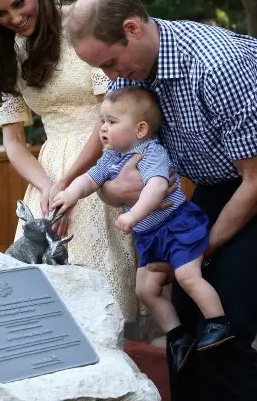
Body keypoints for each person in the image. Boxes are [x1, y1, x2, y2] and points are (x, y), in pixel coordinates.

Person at [65, 0, 257, 400]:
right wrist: (113, 190)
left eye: (112, 63)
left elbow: (253, 181)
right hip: (209, 187)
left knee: (225, 322)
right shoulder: (130, 77)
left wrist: (198, 250)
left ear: (133, 28)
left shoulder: (215, 65)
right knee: (184, 328)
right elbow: (114, 181)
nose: (112, 80)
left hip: (250, 183)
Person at [0, 0, 138, 323]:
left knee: (104, 301)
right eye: (0, 14)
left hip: (104, 163)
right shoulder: (6, 50)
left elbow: (111, 116)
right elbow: (13, 143)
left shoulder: (83, 23)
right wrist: (47, 188)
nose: (14, 18)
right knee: (46, 307)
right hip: (49, 178)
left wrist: (71, 182)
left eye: (19, 3)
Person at [52, 86, 235, 372]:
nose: (103, 128)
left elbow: (156, 187)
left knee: (188, 276)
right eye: (102, 121)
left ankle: (218, 322)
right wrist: (70, 193)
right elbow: (89, 179)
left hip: (175, 226)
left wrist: (133, 215)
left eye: (112, 122)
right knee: (145, 290)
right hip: (151, 235)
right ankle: (177, 335)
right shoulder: (110, 158)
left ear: (139, 129)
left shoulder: (151, 152)